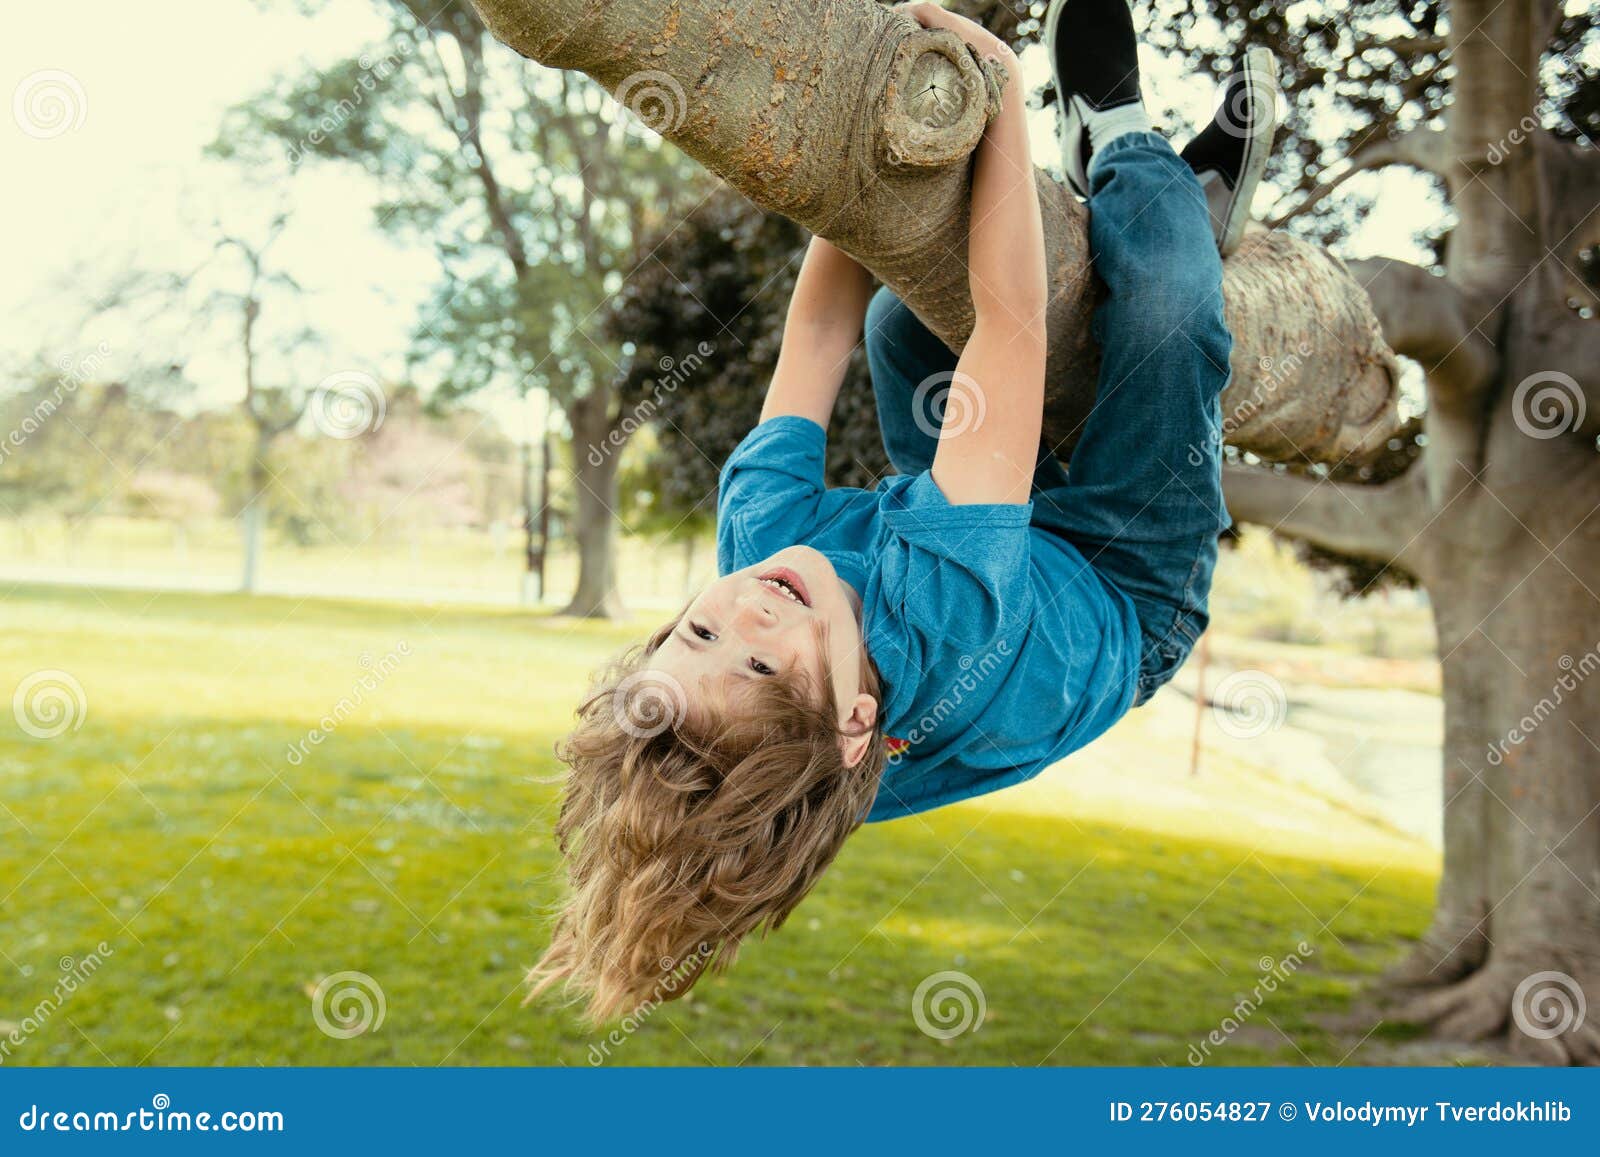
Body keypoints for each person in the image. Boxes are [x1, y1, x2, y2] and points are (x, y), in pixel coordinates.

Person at [531, 0, 1279, 1021]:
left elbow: (818, 335)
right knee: (1167, 317)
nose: (745, 614)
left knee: (898, 324)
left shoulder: (762, 551)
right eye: (761, 665)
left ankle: (1181, 206)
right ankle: (1124, 144)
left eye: (698, 633)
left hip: (977, 573)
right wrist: (1002, 89)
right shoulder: (939, 614)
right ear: (856, 722)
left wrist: (862, 170)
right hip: (1118, 591)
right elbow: (1010, 327)